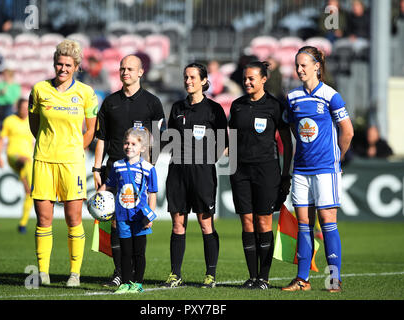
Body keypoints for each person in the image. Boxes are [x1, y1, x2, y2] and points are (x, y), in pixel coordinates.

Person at [282, 46, 353, 292]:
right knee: (303, 224)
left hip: (326, 169)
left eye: (304, 65)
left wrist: (337, 158)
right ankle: (302, 279)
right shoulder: (292, 97)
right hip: (301, 170)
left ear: (317, 67)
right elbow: (293, 128)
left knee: (327, 221)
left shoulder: (331, 95)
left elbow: (348, 131)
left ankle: (334, 279)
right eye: (297, 65)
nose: (299, 69)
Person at [28, 39, 98, 287]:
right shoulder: (38, 90)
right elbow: (34, 125)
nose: (63, 69)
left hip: (72, 163)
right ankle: (43, 272)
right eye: (59, 64)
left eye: (68, 64)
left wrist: (74, 150)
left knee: (73, 218)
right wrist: (49, 145)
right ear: (54, 64)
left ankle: (74, 274)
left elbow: (90, 131)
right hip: (44, 160)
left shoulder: (86, 93)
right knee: (44, 218)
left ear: (77, 66)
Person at [93, 54, 165, 287]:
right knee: (115, 222)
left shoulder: (152, 102)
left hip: (139, 175)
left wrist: (150, 165)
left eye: (130, 69)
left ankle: (134, 273)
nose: (125, 72)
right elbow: (101, 138)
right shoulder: (110, 102)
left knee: (137, 221)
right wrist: (96, 168)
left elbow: (158, 137)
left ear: (141, 72)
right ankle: (120, 273)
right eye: (122, 68)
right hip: (114, 169)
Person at [161, 62, 228, 289]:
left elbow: (224, 144)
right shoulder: (177, 108)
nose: (188, 81)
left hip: (202, 174)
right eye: (185, 77)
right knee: (177, 225)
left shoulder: (214, 110)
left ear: (203, 81)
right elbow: (169, 140)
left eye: (192, 77)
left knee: (205, 223)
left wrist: (205, 160)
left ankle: (210, 275)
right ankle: (175, 274)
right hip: (178, 172)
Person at [228, 61, 293, 290]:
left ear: (264, 79)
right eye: (245, 78)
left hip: (267, 170)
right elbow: (231, 141)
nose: (247, 82)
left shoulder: (275, 106)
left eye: (251, 78)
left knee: (263, 221)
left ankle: (264, 278)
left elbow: (286, 141)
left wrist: (286, 175)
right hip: (240, 171)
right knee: (247, 222)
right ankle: (252, 276)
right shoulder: (236, 106)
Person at [97, 127, 158, 294]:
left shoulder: (148, 168)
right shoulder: (117, 166)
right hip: (122, 216)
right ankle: (125, 282)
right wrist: (96, 198)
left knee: (138, 252)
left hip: (140, 217)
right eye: (126, 143)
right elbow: (109, 185)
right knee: (125, 251)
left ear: (142, 148)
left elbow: (152, 193)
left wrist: (150, 216)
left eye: (133, 143)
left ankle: (137, 283)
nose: (128, 146)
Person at [0, 98, 34, 234]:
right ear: (17, 108)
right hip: (13, 155)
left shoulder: (32, 121)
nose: (24, 110)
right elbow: (1, 139)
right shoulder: (10, 121)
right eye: (22, 107)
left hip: (27, 159)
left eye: (26, 108)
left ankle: (23, 223)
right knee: (25, 160)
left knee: (30, 191)